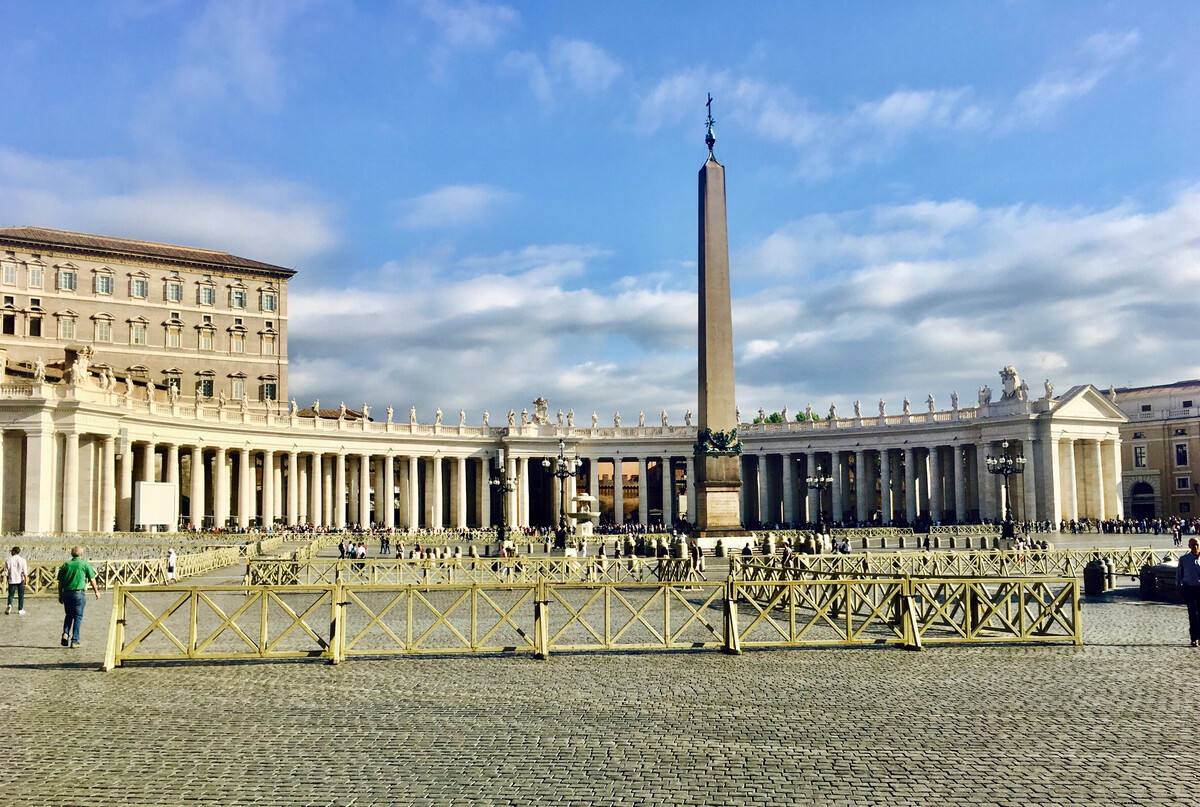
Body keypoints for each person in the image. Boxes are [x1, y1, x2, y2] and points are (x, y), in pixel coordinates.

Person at [56, 546, 101, 648]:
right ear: (81, 554)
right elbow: (92, 579)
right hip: (78, 594)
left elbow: (60, 582)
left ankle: (65, 633)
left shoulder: (66, 564)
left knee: (68, 615)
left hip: (66, 593)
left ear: (72, 554)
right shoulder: (84, 564)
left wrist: (60, 595)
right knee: (78, 616)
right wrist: (96, 592)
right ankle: (75, 640)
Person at [1178, 537, 1200, 647]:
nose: (1195, 546)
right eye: (1193, 545)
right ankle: (1194, 638)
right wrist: (1179, 587)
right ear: (1189, 546)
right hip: (1190, 589)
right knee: (1192, 614)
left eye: (1197, 544)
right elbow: (1179, 574)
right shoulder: (1184, 559)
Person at [5, 546, 28, 616]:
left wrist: (7, 580)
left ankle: (9, 605)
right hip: (20, 579)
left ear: (13, 552)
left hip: (12, 579)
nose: (10, 552)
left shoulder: (8, 560)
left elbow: (6, 573)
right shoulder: (23, 560)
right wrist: (26, 581)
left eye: (11, 551)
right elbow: (25, 572)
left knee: (11, 595)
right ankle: (20, 609)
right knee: (21, 595)